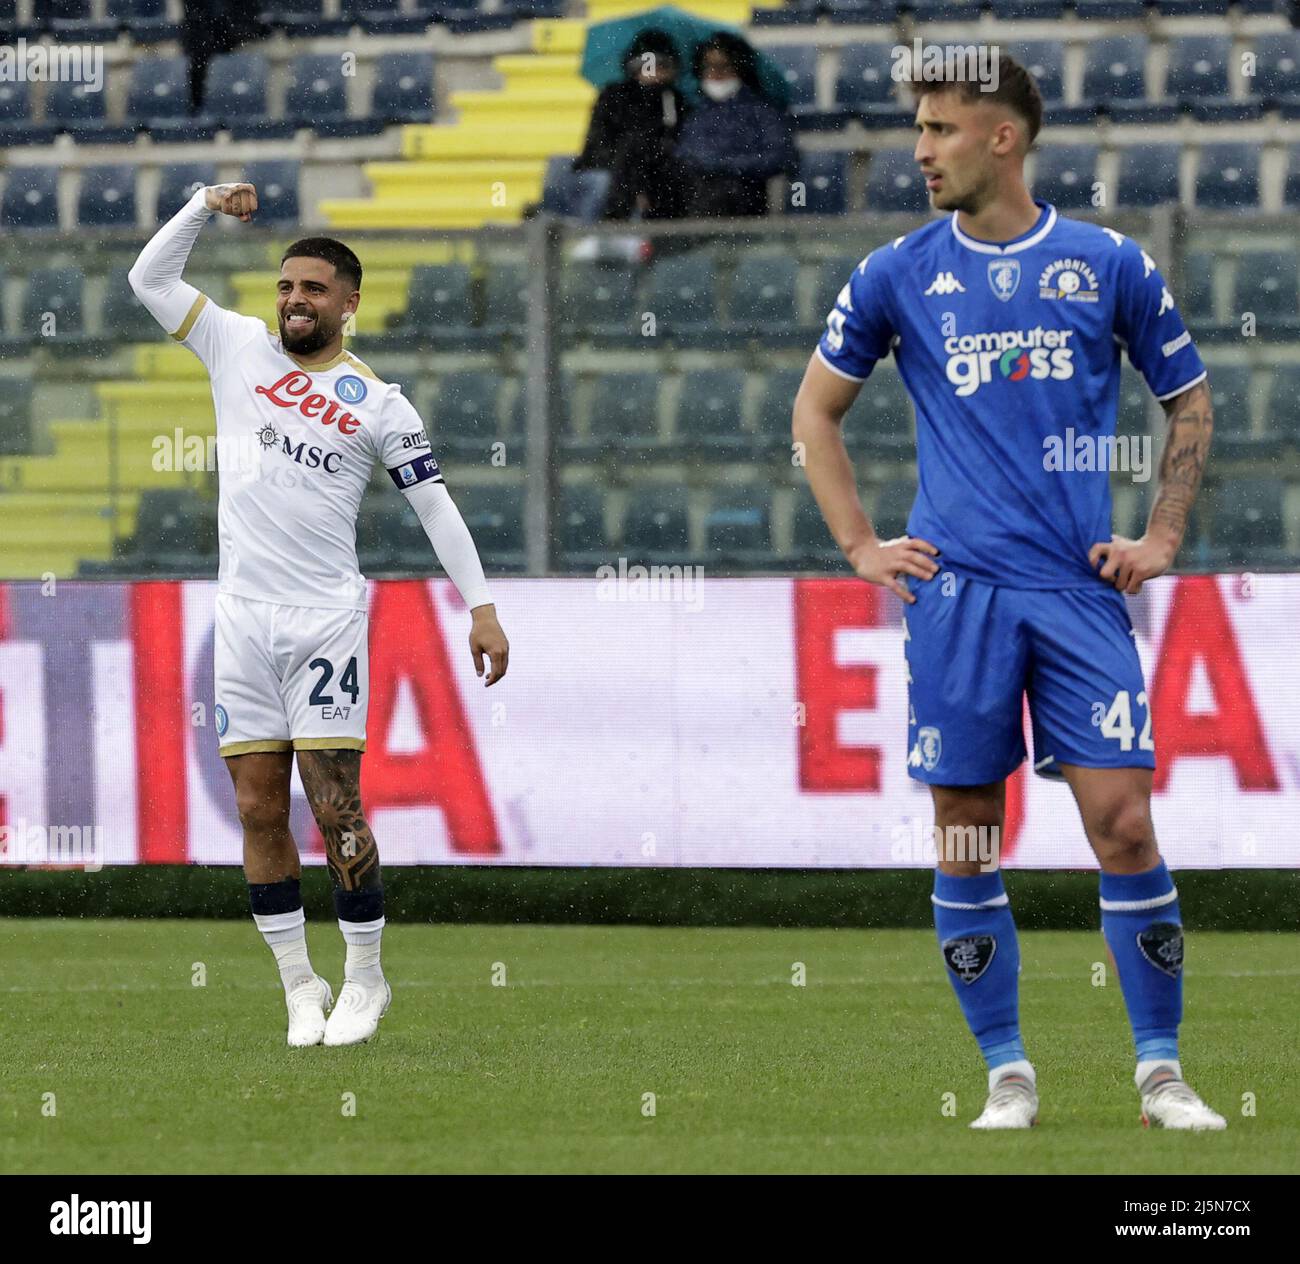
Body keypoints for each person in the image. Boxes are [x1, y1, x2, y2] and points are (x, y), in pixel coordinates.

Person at [793, 54, 1223, 1130]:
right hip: (959, 599)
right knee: (968, 835)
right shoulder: (895, 273)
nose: (920, 151)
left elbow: (1189, 398)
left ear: (1004, 137)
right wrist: (859, 545)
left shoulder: (1106, 262)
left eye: (940, 129)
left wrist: (1163, 534)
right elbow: (815, 412)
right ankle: (1006, 1075)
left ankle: (1161, 1073)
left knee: (1124, 826)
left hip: (1077, 592)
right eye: (918, 129)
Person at [128, 183, 509, 1048]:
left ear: (349, 304)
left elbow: (435, 507)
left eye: (313, 289)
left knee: (335, 806)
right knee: (258, 809)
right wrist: (201, 204)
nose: (294, 300)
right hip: (242, 621)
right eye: (286, 286)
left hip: (326, 621)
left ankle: (367, 978)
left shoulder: (380, 402)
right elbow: (148, 280)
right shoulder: (235, 345)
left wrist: (481, 608)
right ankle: (301, 985)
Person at [573, 28, 691, 222]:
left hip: (656, 179)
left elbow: (675, 147)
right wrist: (634, 180)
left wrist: (646, 180)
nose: (655, 73)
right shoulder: (613, 97)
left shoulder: (674, 101)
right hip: (610, 173)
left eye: (663, 66)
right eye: (650, 65)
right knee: (606, 181)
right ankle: (604, 230)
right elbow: (598, 146)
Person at [674, 32, 796, 218]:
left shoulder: (763, 111)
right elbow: (685, 155)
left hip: (747, 199)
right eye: (709, 67)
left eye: (725, 66)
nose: (716, 74)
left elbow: (780, 156)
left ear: (740, 68)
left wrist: (726, 165)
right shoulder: (694, 113)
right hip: (700, 199)